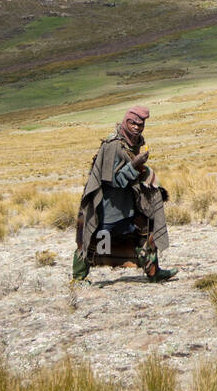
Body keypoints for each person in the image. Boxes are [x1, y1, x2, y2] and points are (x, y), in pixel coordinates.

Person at [73, 105, 178, 282]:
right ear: (125, 122)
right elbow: (111, 181)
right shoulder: (114, 145)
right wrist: (135, 165)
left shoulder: (134, 142)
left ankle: (153, 271)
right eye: (133, 123)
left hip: (127, 204)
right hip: (108, 207)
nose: (137, 127)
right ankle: (78, 278)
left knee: (145, 230)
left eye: (141, 124)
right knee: (92, 239)